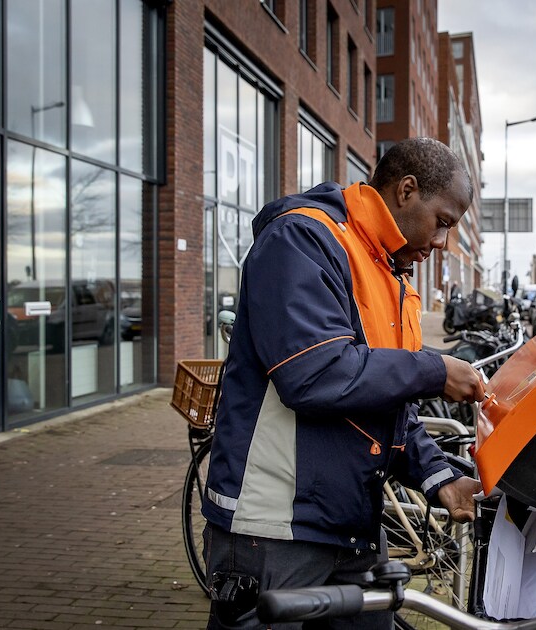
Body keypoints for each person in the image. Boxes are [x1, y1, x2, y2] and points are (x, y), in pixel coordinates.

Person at [202, 138, 486, 629]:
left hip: (348, 525)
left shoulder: (392, 277)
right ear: (406, 190)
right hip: (273, 530)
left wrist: (441, 479)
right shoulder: (301, 239)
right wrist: (435, 371)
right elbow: (314, 374)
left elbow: (387, 401)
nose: (442, 242)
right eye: (442, 222)